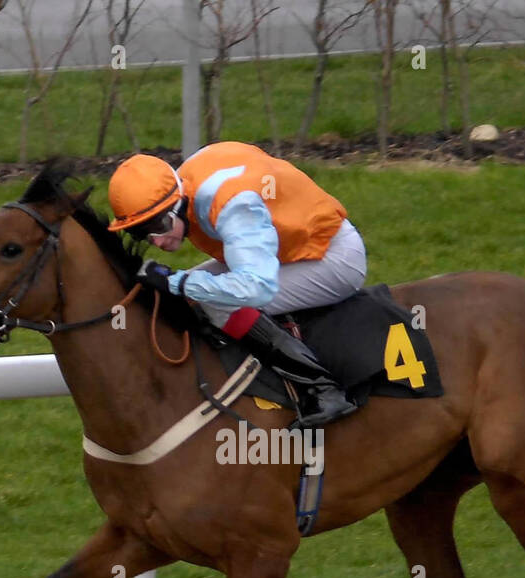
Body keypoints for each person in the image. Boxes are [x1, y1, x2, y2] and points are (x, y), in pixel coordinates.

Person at [106, 141, 367, 427]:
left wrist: (177, 281)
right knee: (189, 295)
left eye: (158, 226)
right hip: (285, 247)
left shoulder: (232, 205)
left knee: (212, 298)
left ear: (178, 203)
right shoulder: (183, 185)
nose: (155, 241)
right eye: (140, 233)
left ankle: (321, 389)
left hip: (332, 258)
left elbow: (256, 287)